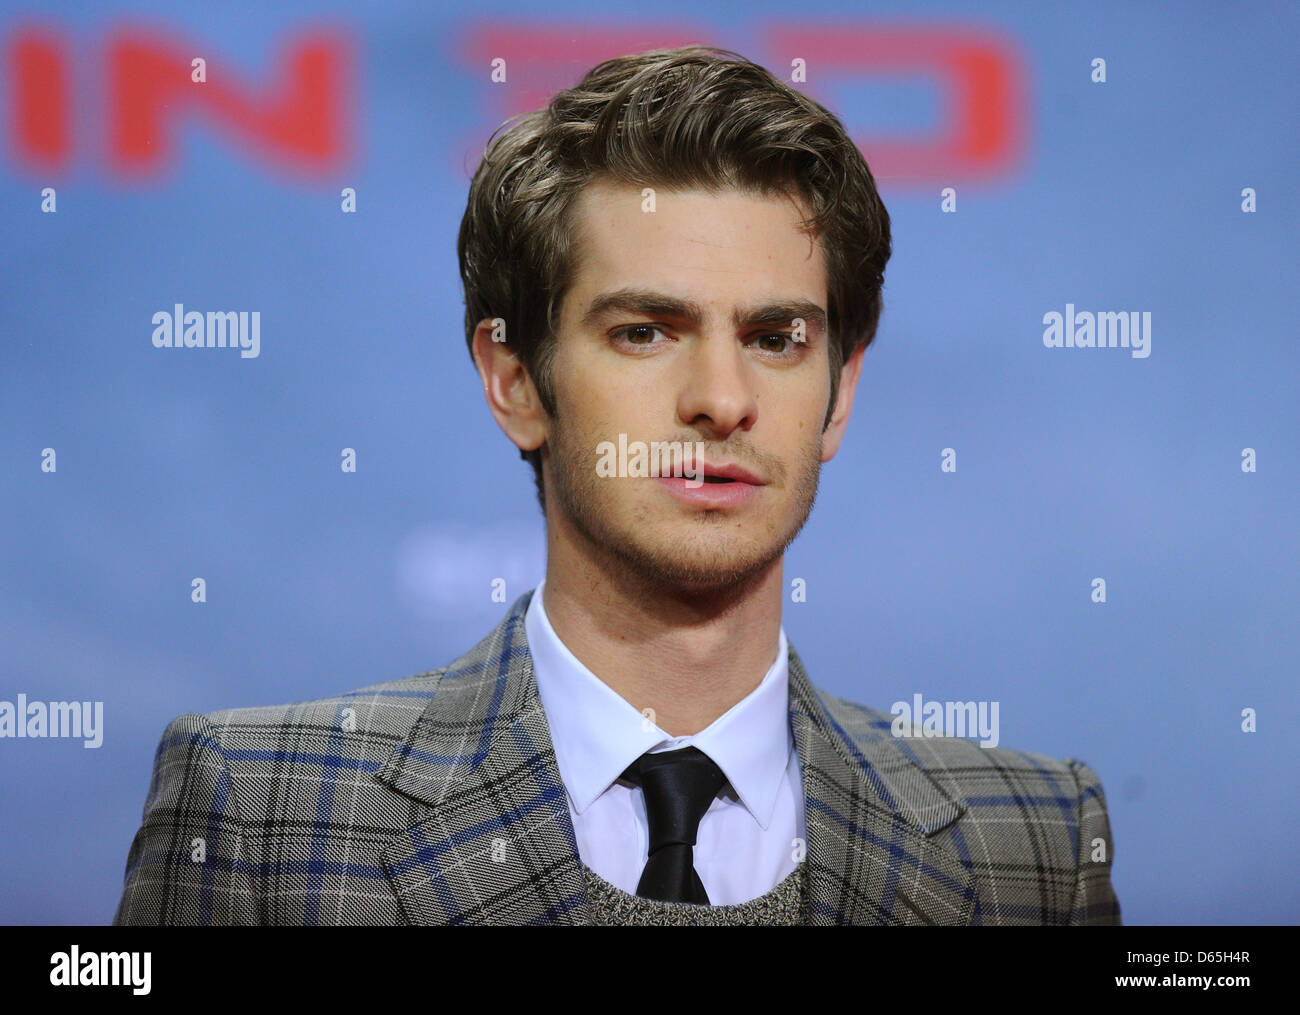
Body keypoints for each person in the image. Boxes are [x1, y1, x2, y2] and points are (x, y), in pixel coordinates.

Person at [113, 45, 1120, 926]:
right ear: (514, 380)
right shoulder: (262, 811)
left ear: (839, 391)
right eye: (644, 332)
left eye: (775, 340)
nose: (722, 400)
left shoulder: (1028, 841)